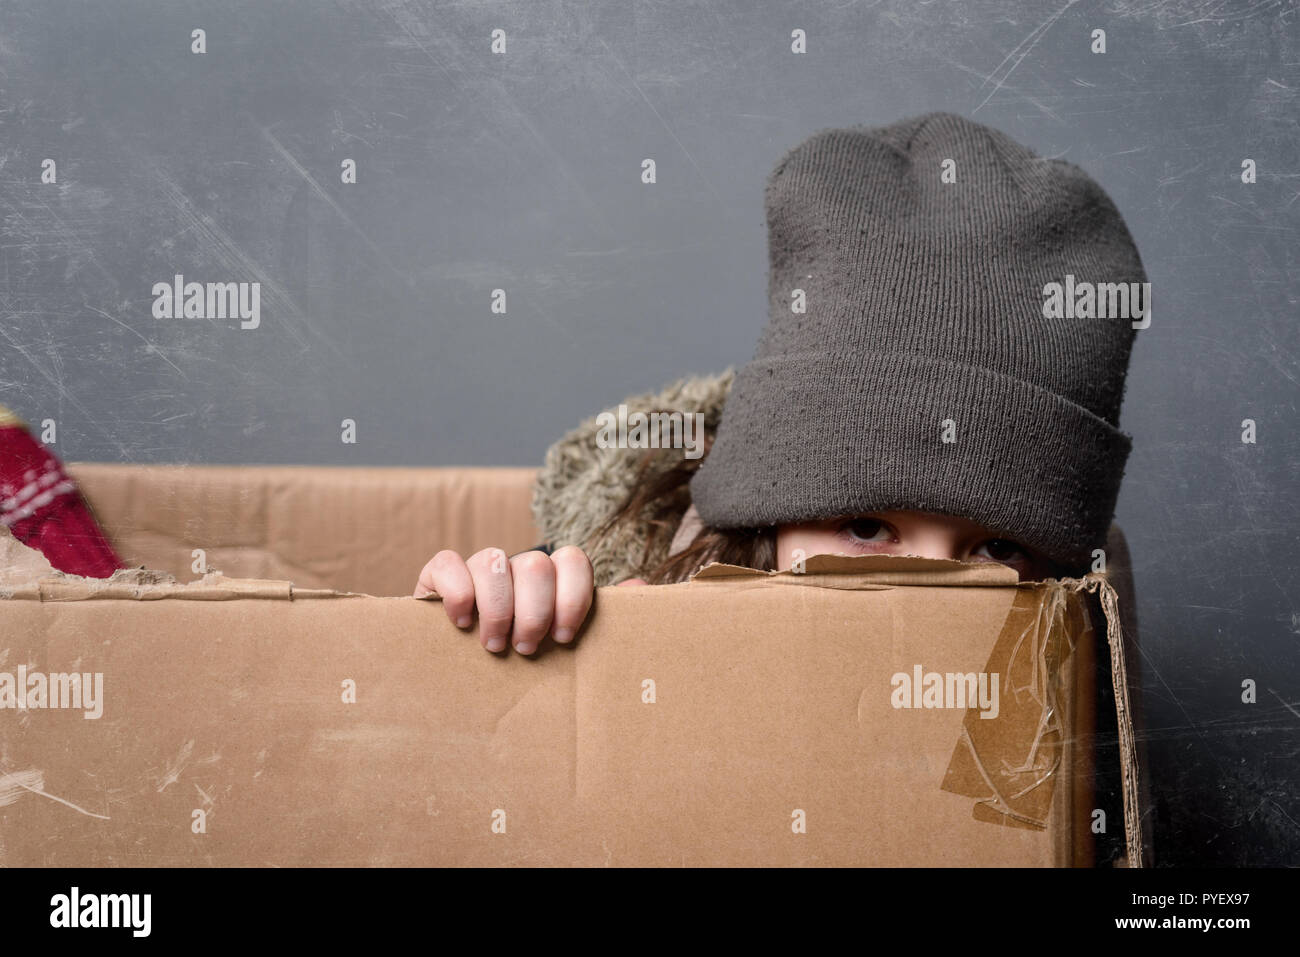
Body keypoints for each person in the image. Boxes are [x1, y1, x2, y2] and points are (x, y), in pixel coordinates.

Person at [414, 111, 1146, 658]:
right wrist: (492, 635)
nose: (929, 599)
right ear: (767, 521)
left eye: (997, 550)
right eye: (865, 527)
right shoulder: (629, 608)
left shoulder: (1066, 684)